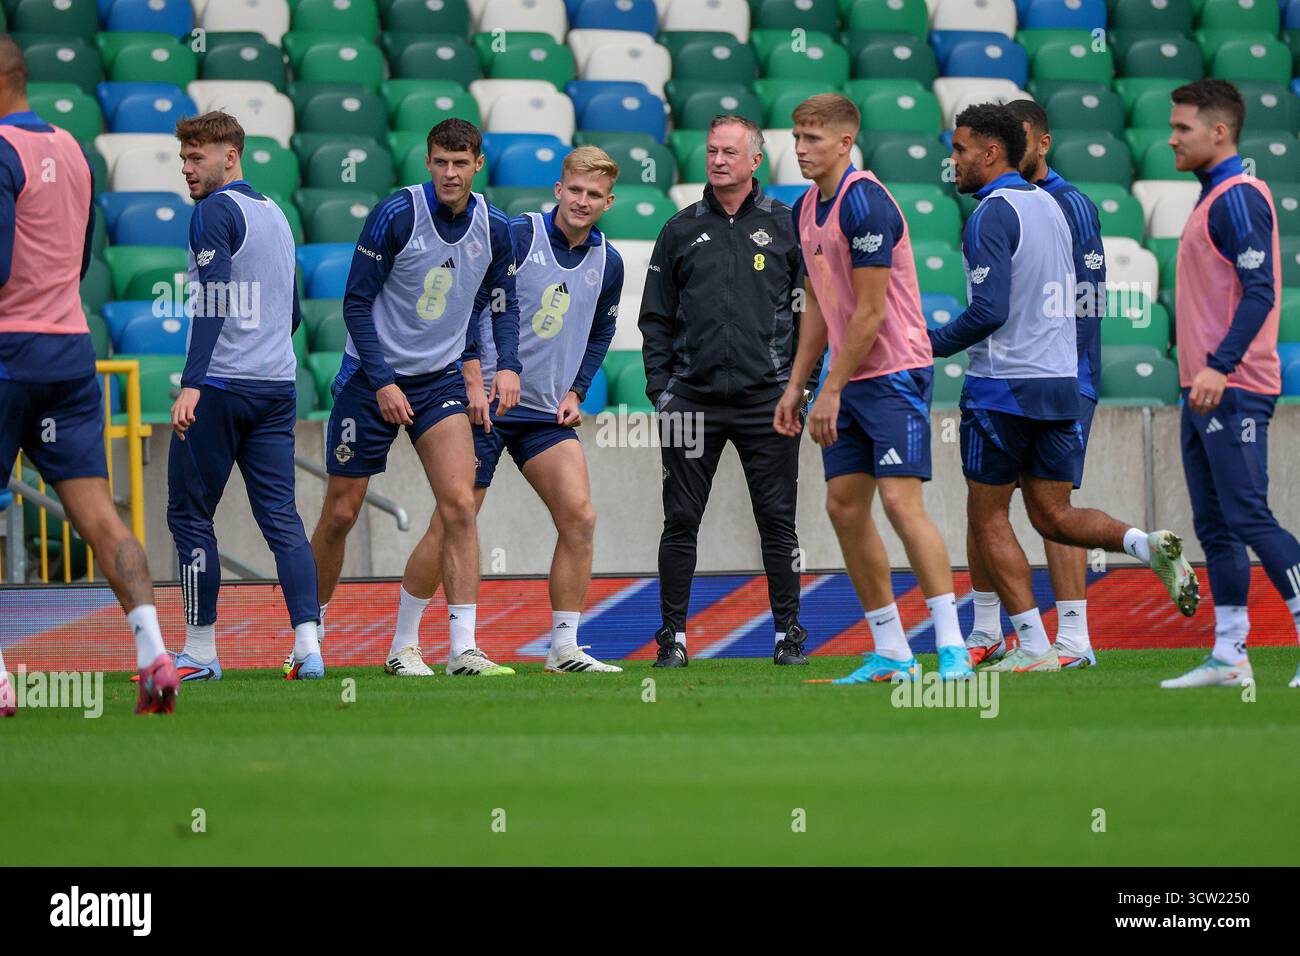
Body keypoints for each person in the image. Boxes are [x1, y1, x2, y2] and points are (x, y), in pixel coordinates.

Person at [930, 102, 1199, 674]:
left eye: (958, 150)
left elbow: (1009, 306)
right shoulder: (1048, 206)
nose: (950, 161)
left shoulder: (1019, 209)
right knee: (1050, 513)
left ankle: (1046, 641)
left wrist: (926, 344)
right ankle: (1140, 546)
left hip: (1015, 383)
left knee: (988, 512)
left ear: (1000, 149)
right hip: (1055, 381)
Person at [307, 118, 522, 677]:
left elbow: (502, 303)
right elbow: (354, 304)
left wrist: (507, 367)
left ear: (478, 165)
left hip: (440, 380)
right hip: (368, 377)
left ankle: (454, 649)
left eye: (461, 163)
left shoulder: (496, 227)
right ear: (427, 162)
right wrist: (382, 381)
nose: (450, 173)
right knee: (340, 513)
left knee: (459, 507)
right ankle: (307, 637)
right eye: (441, 162)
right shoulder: (396, 214)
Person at [0, 36, 176, 715]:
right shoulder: (73, 149)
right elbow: (78, 260)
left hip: (10, 355)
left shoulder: (2, 151)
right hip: (71, 353)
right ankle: (154, 654)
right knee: (102, 516)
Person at [775, 92, 972, 684]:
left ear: (844, 142)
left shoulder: (868, 204)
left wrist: (830, 388)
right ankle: (892, 651)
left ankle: (953, 648)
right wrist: (798, 385)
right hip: (846, 376)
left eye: (813, 138)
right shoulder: (804, 208)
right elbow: (817, 300)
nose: (801, 148)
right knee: (842, 506)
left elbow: (868, 312)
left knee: (900, 503)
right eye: (797, 136)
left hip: (893, 373)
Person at [409, 146, 625, 674]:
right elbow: (470, 300)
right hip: (485, 405)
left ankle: (564, 649)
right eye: (574, 189)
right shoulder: (519, 235)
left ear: (609, 202)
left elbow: (602, 330)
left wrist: (577, 389)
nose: (582, 200)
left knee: (580, 517)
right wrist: (473, 373)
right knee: (453, 520)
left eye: (593, 195)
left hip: (544, 415)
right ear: (558, 189)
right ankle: (404, 643)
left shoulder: (609, 261)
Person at [640, 115, 817, 668]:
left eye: (730, 152)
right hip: (690, 401)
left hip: (770, 401)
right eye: (712, 150)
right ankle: (672, 639)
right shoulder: (679, 229)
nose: (718, 160)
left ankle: (789, 636)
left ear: (755, 161)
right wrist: (661, 392)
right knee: (680, 521)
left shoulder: (789, 226)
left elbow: (814, 314)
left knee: (777, 521)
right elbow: (654, 318)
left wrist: (803, 387)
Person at [162, 111, 322, 682]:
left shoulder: (213, 212)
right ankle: (308, 644)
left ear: (230, 156)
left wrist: (193, 383)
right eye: (183, 158)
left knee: (187, 515)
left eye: (197, 157)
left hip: (223, 388)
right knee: (281, 516)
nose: (187, 168)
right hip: (277, 387)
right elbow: (296, 311)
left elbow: (212, 301)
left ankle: (201, 652)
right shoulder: (276, 213)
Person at [1159, 79, 1300, 690]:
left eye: (1182, 127)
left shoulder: (1238, 198)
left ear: (1220, 132)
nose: (1171, 137)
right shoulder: (1213, 196)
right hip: (1204, 387)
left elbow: (1262, 289)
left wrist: (1220, 363)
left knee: (1248, 515)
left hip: (1233, 384)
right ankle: (1229, 653)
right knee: (1215, 525)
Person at [960, 99, 1107, 670]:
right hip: (1012, 372)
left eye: (1023, 139)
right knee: (985, 501)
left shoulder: (1069, 204)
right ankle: (987, 629)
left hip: (1062, 378)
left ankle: (1071, 638)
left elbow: (1089, 298)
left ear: (1040, 143)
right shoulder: (999, 201)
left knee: (1052, 508)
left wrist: (1070, 373)